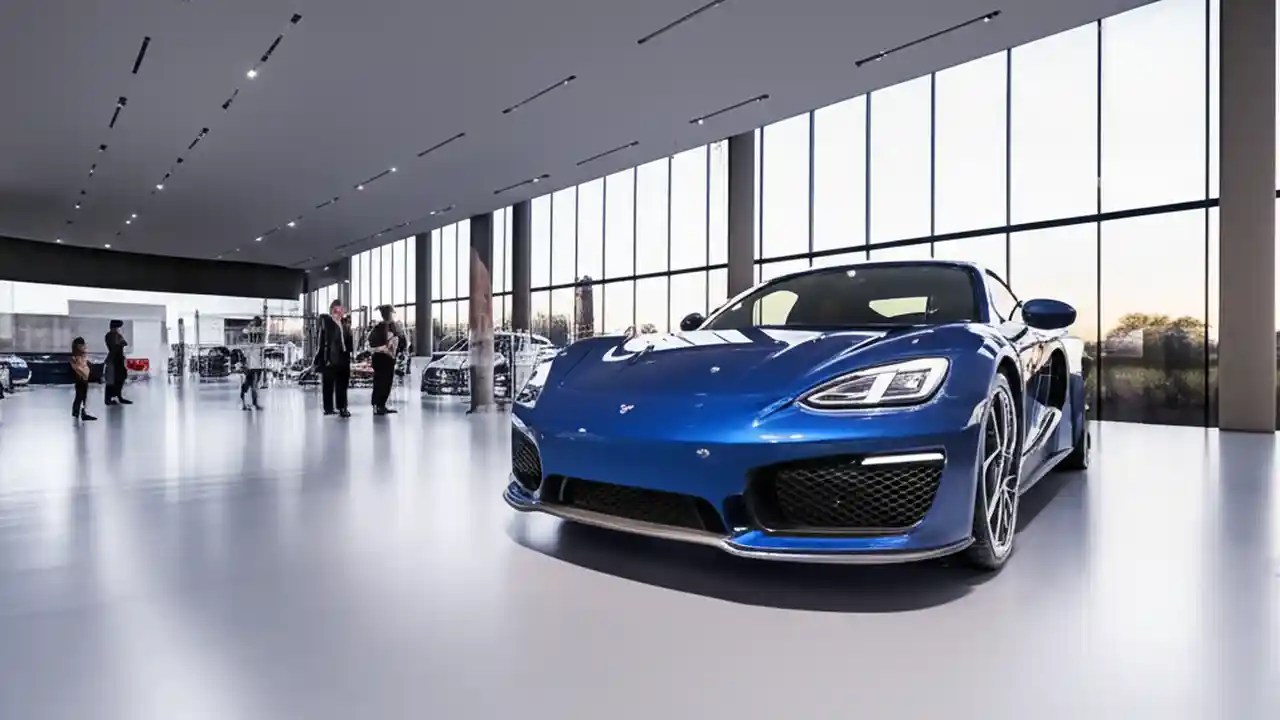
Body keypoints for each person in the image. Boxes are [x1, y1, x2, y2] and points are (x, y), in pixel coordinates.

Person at [314, 299, 353, 417]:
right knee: (328, 384)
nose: (342, 311)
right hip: (330, 357)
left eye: (342, 309)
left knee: (342, 383)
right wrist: (319, 358)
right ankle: (328, 408)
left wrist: (351, 352)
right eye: (339, 308)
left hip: (343, 356)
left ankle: (342, 407)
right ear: (333, 309)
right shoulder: (327, 323)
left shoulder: (345, 323)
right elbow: (321, 343)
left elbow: (348, 339)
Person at [367, 305, 400, 415]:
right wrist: (382, 348)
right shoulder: (379, 327)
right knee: (381, 381)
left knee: (386, 382)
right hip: (381, 358)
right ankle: (377, 405)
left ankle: (381, 404)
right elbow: (372, 342)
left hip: (389, 358)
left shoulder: (392, 326)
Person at [103, 320, 131, 405]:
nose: (118, 329)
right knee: (111, 380)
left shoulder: (118, 335)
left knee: (121, 377)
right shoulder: (109, 335)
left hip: (119, 359)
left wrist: (119, 343)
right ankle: (108, 399)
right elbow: (114, 346)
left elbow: (124, 343)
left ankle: (119, 396)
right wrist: (119, 343)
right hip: (112, 359)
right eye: (117, 327)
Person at [240, 316, 266, 411]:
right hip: (251, 366)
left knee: (252, 385)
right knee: (250, 385)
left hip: (257, 366)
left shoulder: (259, 344)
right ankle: (247, 403)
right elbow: (246, 332)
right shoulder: (251, 344)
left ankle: (252, 403)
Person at [70, 337, 97, 422]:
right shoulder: (75, 358)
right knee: (80, 396)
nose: (83, 347)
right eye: (81, 346)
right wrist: (83, 374)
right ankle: (80, 412)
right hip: (80, 379)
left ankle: (79, 411)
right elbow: (77, 368)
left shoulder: (83, 356)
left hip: (84, 378)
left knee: (83, 396)